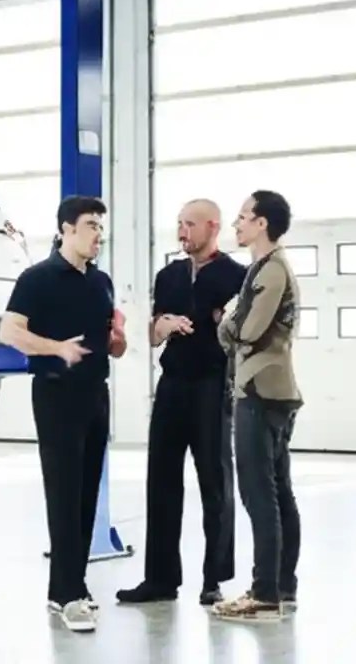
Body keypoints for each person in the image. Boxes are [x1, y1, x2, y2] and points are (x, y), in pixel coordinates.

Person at [0, 195, 126, 634]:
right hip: (56, 396)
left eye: (101, 227)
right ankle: (70, 596)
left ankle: (68, 588)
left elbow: (113, 345)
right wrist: (56, 349)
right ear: (66, 229)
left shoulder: (102, 281)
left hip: (96, 394)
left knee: (87, 494)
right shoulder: (37, 278)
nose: (98, 235)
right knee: (64, 494)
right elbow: (9, 331)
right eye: (91, 225)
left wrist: (118, 340)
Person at [116, 199, 246, 607]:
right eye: (179, 224)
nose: (182, 231)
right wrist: (163, 324)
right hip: (172, 384)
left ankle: (214, 578)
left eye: (190, 224)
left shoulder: (237, 276)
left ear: (213, 227)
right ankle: (160, 579)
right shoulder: (168, 275)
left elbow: (244, 335)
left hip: (212, 385)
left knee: (215, 482)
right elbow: (152, 334)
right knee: (161, 480)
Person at [211, 189, 303, 623]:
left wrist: (227, 322)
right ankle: (282, 587)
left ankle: (265, 594)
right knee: (278, 491)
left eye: (243, 217)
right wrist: (233, 320)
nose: (237, 224)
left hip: (260, 392)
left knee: (259, 493)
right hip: (270, 389)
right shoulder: (265, 268)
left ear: (262, 223)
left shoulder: (271, 270)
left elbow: (245, 330)